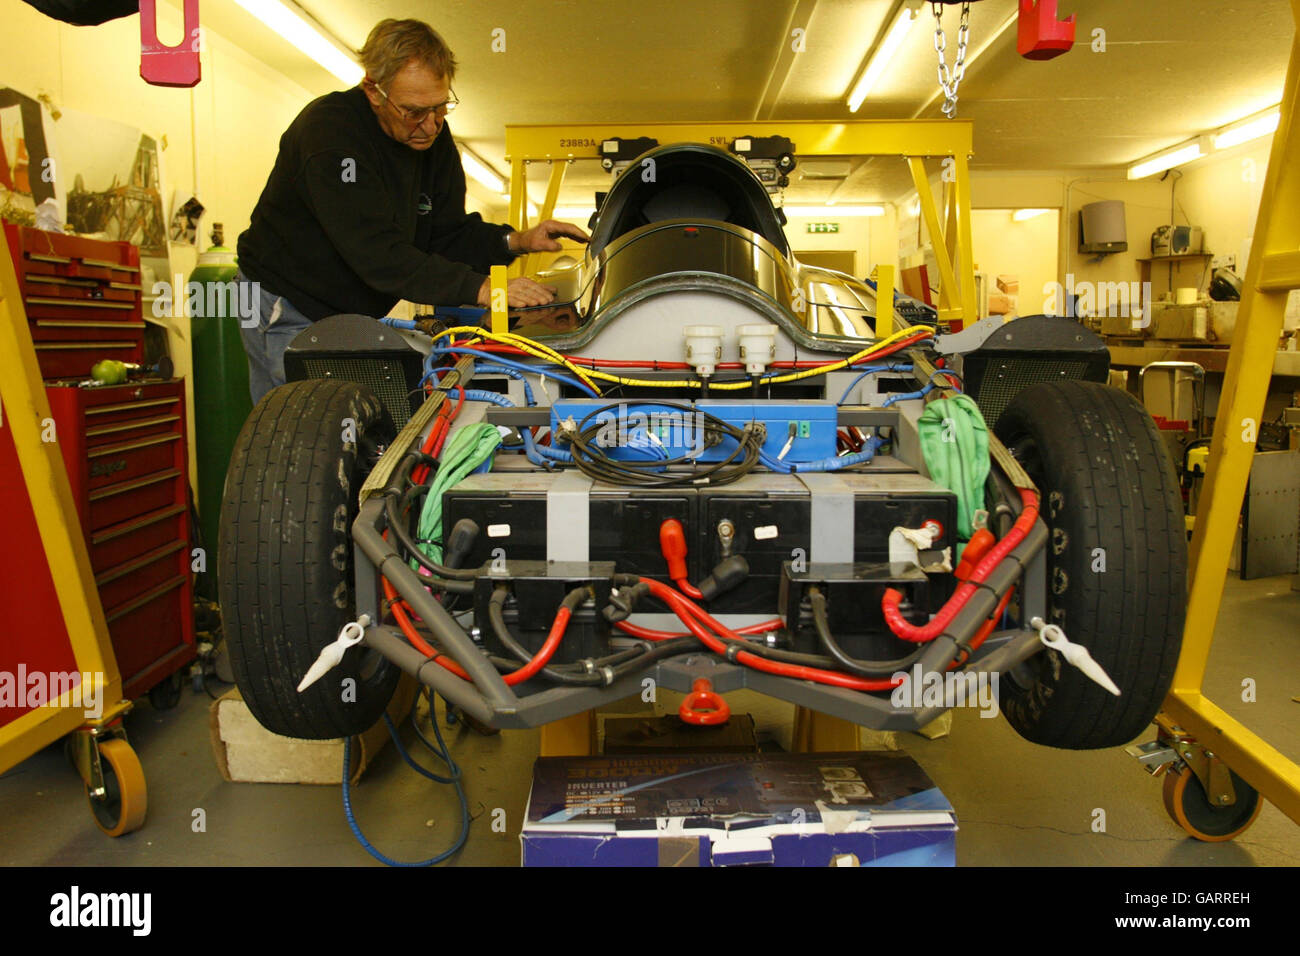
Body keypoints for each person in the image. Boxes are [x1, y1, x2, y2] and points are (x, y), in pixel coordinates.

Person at [236, 18, 587, 403]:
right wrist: (483, 288)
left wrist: (516, 239)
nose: (430, 126)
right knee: (298, 430)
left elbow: (446, 232)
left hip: (351, 308)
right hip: (286, 301)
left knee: (358, 421)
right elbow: (375, 253)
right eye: (414, 112)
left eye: (441, 108)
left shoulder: (433, 139)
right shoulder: (329, 135)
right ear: (373, 90)